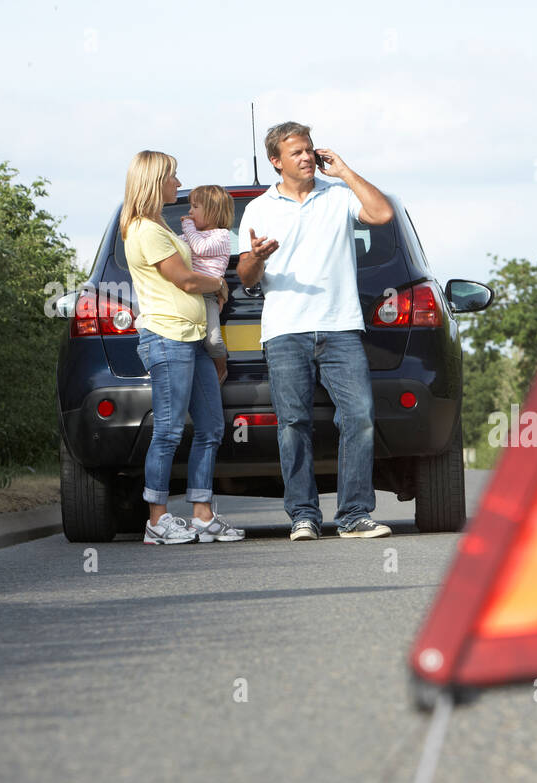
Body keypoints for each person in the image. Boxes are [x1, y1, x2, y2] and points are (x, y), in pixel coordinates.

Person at [236, 121, 394, 541]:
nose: (306, 158)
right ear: (276, 162)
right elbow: (247, 277)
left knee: (359, 417)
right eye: (296, 153)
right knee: (293, 423)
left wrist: (344, 171)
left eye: (309, 150)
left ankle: (354, 515)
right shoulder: (258, 209)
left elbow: (381, 213)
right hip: (286, 330)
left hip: (340, 326)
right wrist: (256, 257)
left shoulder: (338, 196)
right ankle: (303, 515)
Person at [120, 150, 245, 544]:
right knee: (170, 431)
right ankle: (157, 520)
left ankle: (203, 516)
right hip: (168, 337)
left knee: (210, 427)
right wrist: (219, 284)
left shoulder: (163, 228)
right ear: (155, 181)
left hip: (191, 340)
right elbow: (186, 280)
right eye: (173, 177)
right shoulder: (145, 230)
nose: (178, 183)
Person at [180, 185, 234, 384]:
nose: (189, 212)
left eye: (195, 207)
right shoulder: (190, 236)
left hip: (209, 295)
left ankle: (221, 369)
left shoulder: (221, 236)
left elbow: (200, 248)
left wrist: (188, 227)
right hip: (188, 295)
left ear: (213, 211)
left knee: (212, 340)